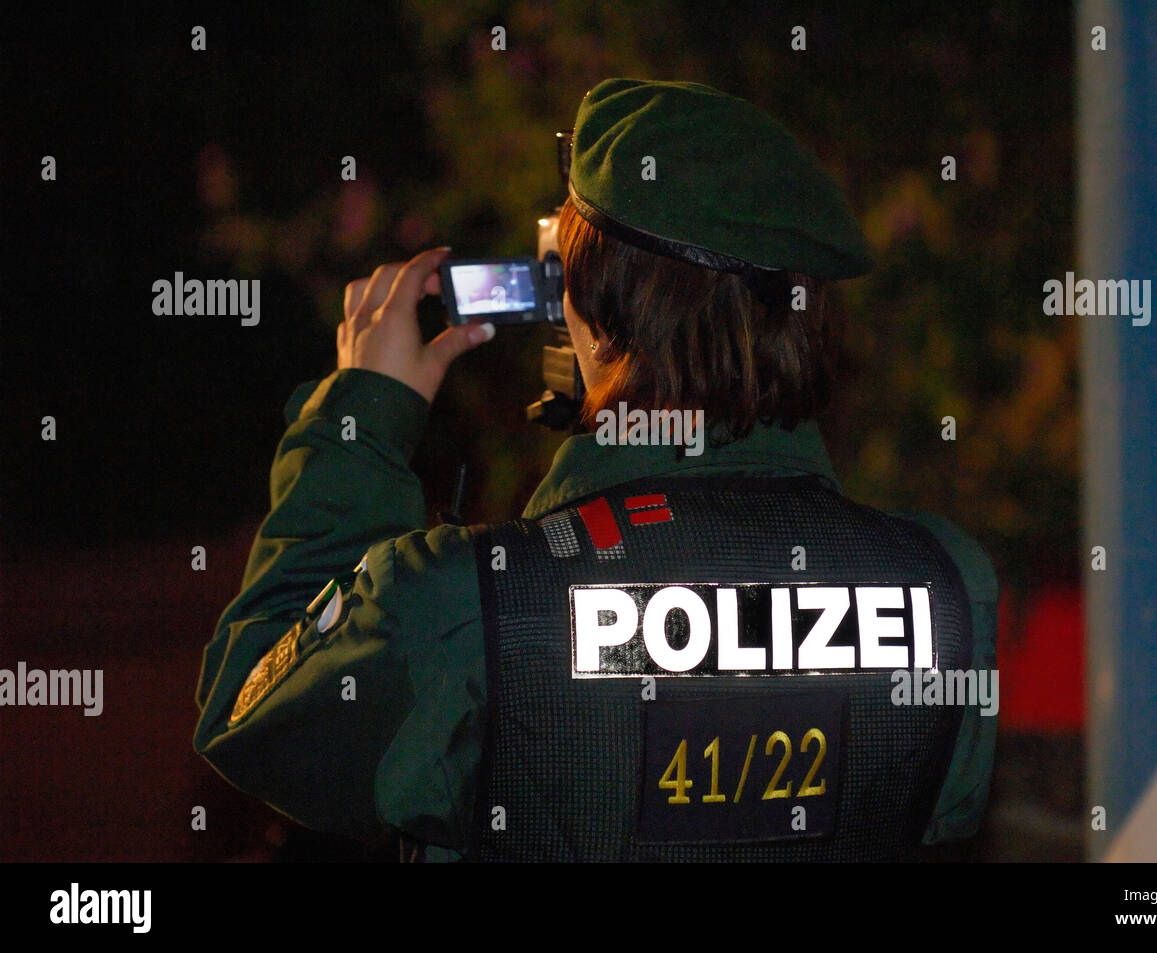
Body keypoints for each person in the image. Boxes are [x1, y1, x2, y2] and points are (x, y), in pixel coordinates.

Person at [194, 77, 998, 861]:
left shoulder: (464, 603)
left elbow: (251, 713)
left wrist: (359, 423)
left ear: (593, 312)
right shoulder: (947, 587)